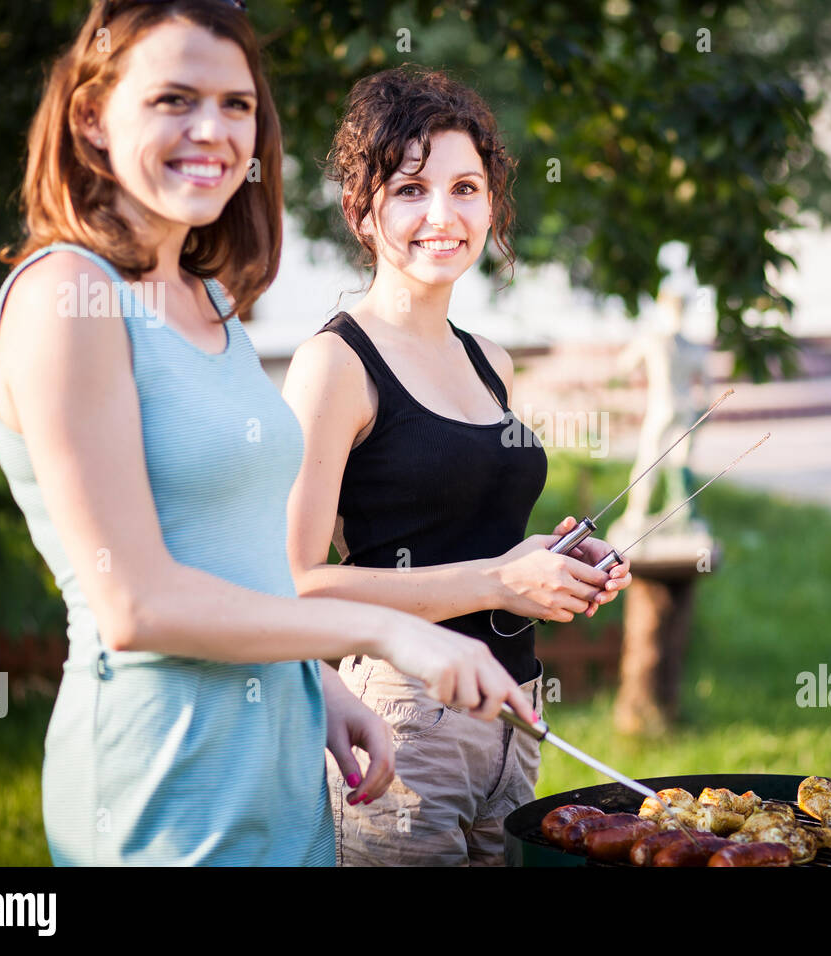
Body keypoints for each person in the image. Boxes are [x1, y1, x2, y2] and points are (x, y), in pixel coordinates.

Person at [0, 0, 530, 866]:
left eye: (237, 104)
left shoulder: (211, 305)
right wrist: (390, 634)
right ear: (91, 117)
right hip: (166, 794)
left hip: (284, 778)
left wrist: (317, 685)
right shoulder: (68, 296)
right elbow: (136, 604)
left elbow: (239, 561)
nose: (213, 129)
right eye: (174, 99)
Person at [282, 65, 633, 866]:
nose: (442, 215)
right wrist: (499, 582)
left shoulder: (490, 362)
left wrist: (547, 561)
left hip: (514, 713)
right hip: (405, 723)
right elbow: (296, 582)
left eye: (465, 188)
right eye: (410, 190)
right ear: (360, 213)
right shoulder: (335, 364)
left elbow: (475, 539)